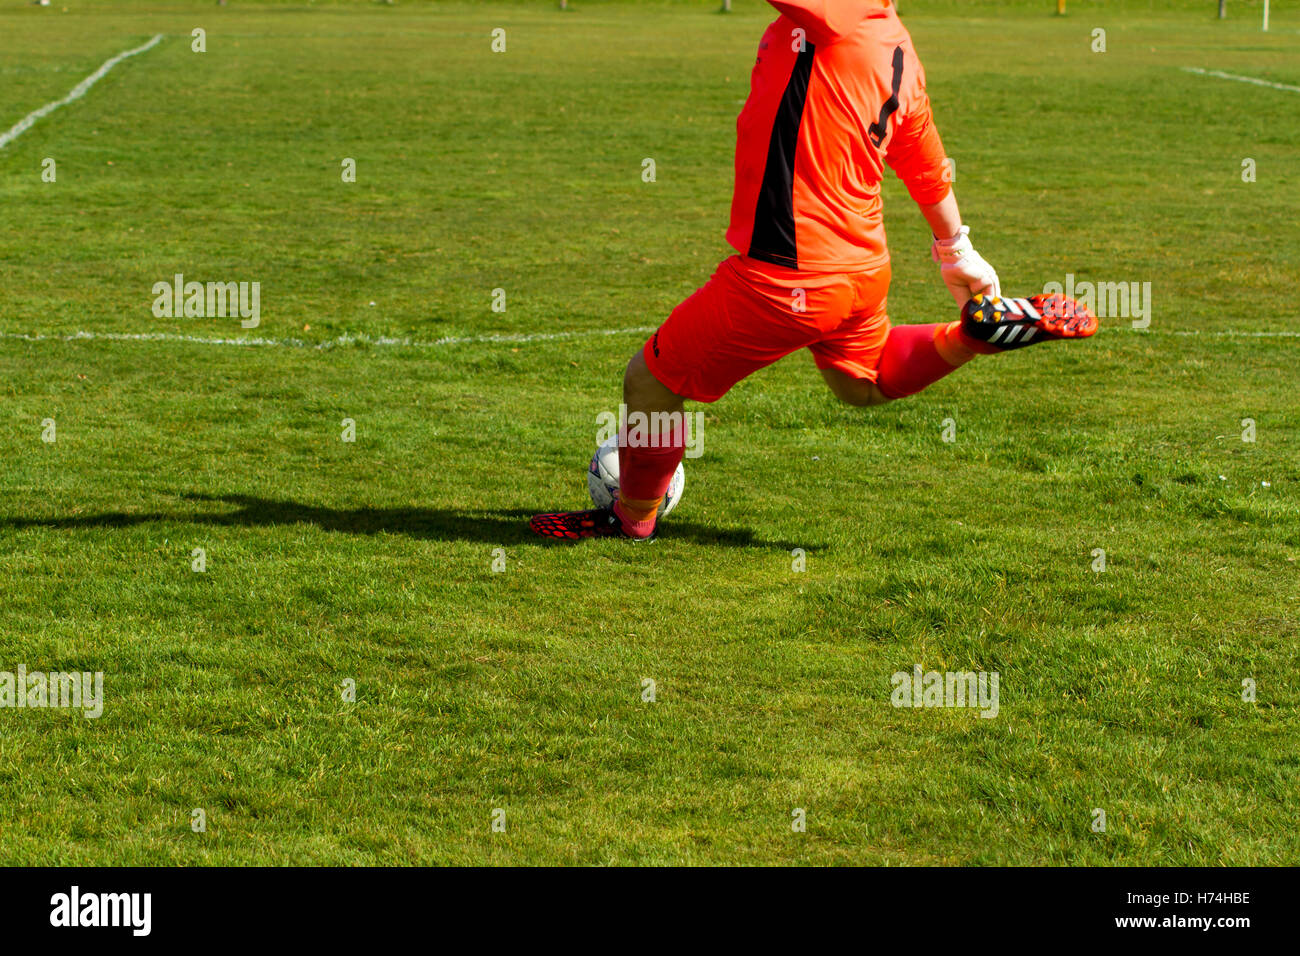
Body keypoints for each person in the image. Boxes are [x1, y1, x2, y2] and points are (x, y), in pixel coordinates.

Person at [529, 0, 1095, 541]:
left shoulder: (836, 10)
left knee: (650, 381)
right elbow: (923, 159)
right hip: (860, 270)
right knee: (864, 383)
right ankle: (972, 335)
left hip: (787, 273)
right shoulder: (897, 44)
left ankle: (631, 518)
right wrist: (957, 248)